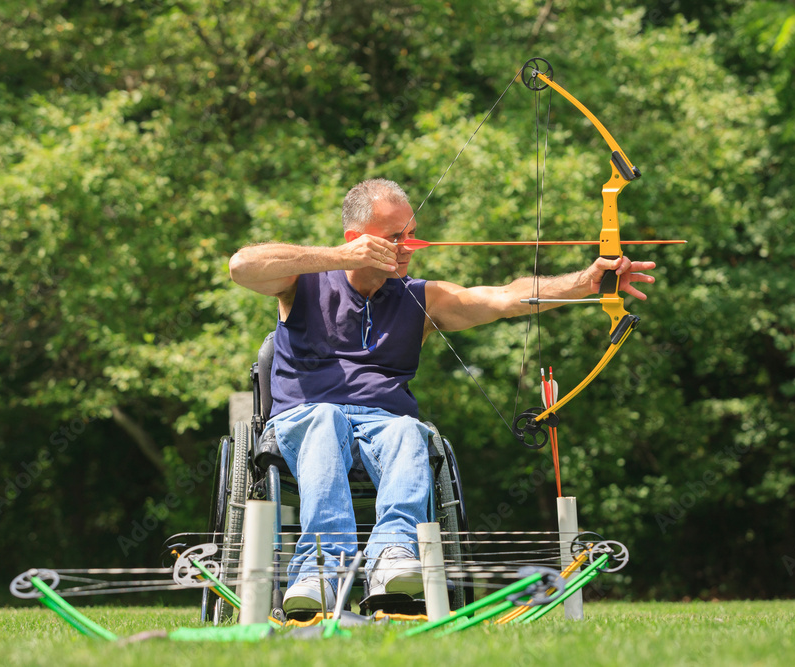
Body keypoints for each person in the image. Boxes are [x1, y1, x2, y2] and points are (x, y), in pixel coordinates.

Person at [228, 178, 655, 614]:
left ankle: (392, 555)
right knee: (324, 420)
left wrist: (586, 282)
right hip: (306, 419)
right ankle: (320, 567)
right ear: (356, 239)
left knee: (409, 432)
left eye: (410, 234)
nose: (409, 246)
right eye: (395, 237)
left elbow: (505, 297)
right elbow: (241, 265)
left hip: (384, 423)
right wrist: (338, 258)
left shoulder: (420, 297)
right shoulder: (303, 283)